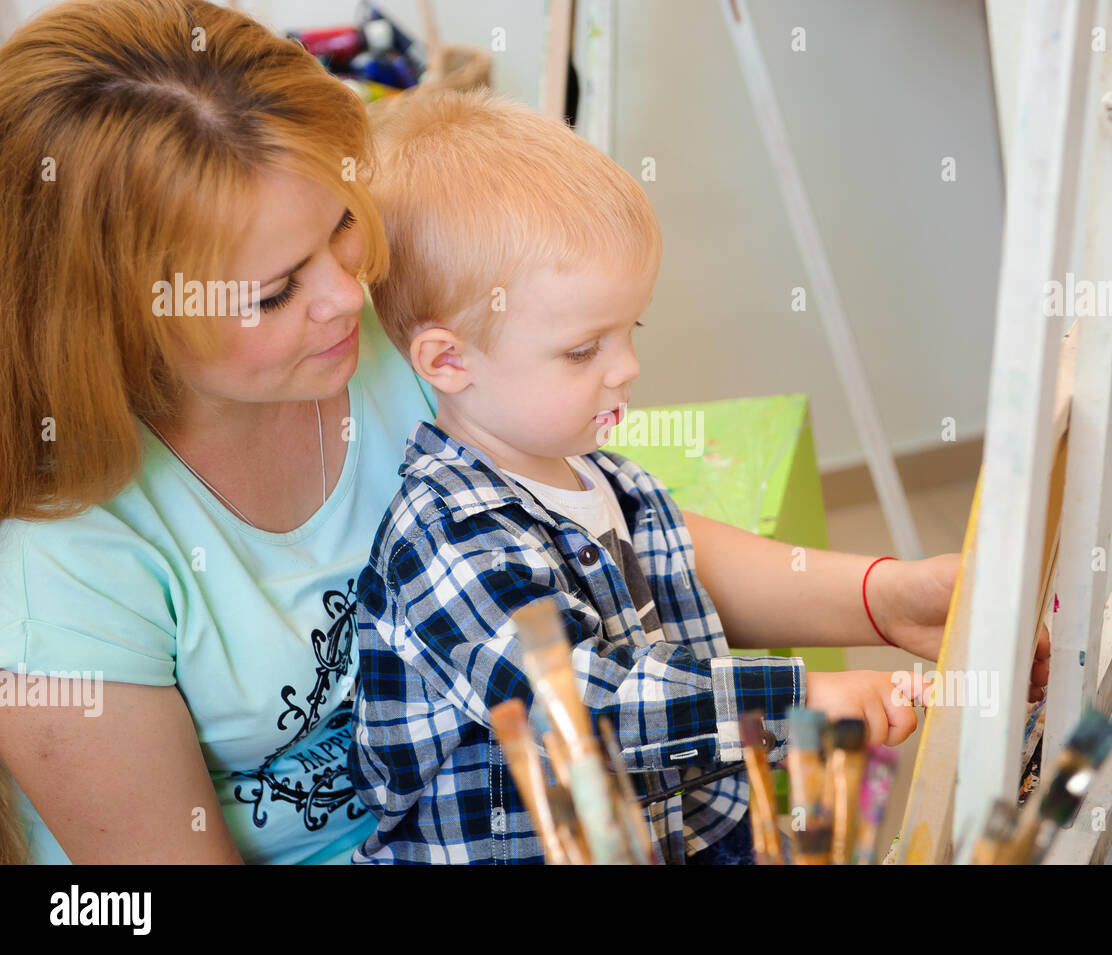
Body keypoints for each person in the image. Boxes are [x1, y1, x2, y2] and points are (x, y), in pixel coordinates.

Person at [0, 0, 1035, 866]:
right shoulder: (59, 569)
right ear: (118, 317)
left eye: (342, 225)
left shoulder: (392, 344)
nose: (344, 293)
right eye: (274, 291)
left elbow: (619, 537)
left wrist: (873, 593)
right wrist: (793, 693)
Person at [346, 88, 980, 865]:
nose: (628, 368)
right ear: (448, 361)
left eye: (630, 330)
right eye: (584, 350)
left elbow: (689, 646)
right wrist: (794, 701)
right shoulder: (443, 533)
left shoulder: (606, 479)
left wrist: (889, 600)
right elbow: (585, 709)